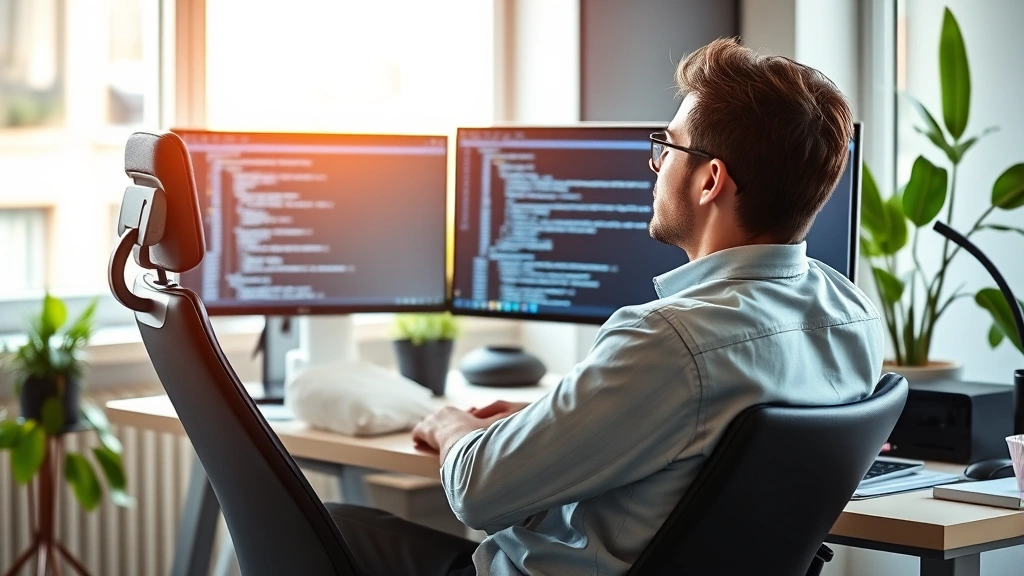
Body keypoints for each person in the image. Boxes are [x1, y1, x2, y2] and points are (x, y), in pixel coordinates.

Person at [330, 37, 884, 576]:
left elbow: (477, 492)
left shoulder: (668, 341)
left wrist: (452, 427)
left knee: (325, 524)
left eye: (668, 147)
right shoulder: (850, 314)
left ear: (711, 180)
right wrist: (545, 422)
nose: (657, 164)